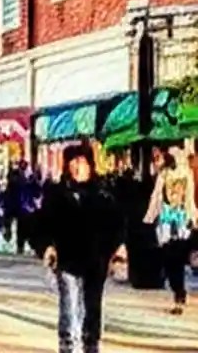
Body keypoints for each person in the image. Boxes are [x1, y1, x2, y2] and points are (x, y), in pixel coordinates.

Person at [38, 142, 126, 353]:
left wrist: (119, 249)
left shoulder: (103, 194)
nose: (77, 167)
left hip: (96, 262)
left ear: (90, 165)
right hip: (66, 261)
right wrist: (47, 247)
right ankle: (67, 346)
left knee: (92, 307)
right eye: (73, 162)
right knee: (69, 308)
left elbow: (117, 224)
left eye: (81, 162)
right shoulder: (57, 193)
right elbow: (42, 224)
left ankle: (91, 344)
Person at [143, 147, 197, 315]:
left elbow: (188, 197)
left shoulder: (182, 174)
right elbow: (157, 196)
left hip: (178, 222)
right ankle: (178, 291)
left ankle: (179, 293)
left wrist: (193, 218)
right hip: (170, 222)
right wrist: (150, 217)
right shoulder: (165, 174)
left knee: (175, 260)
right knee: (172, 260)